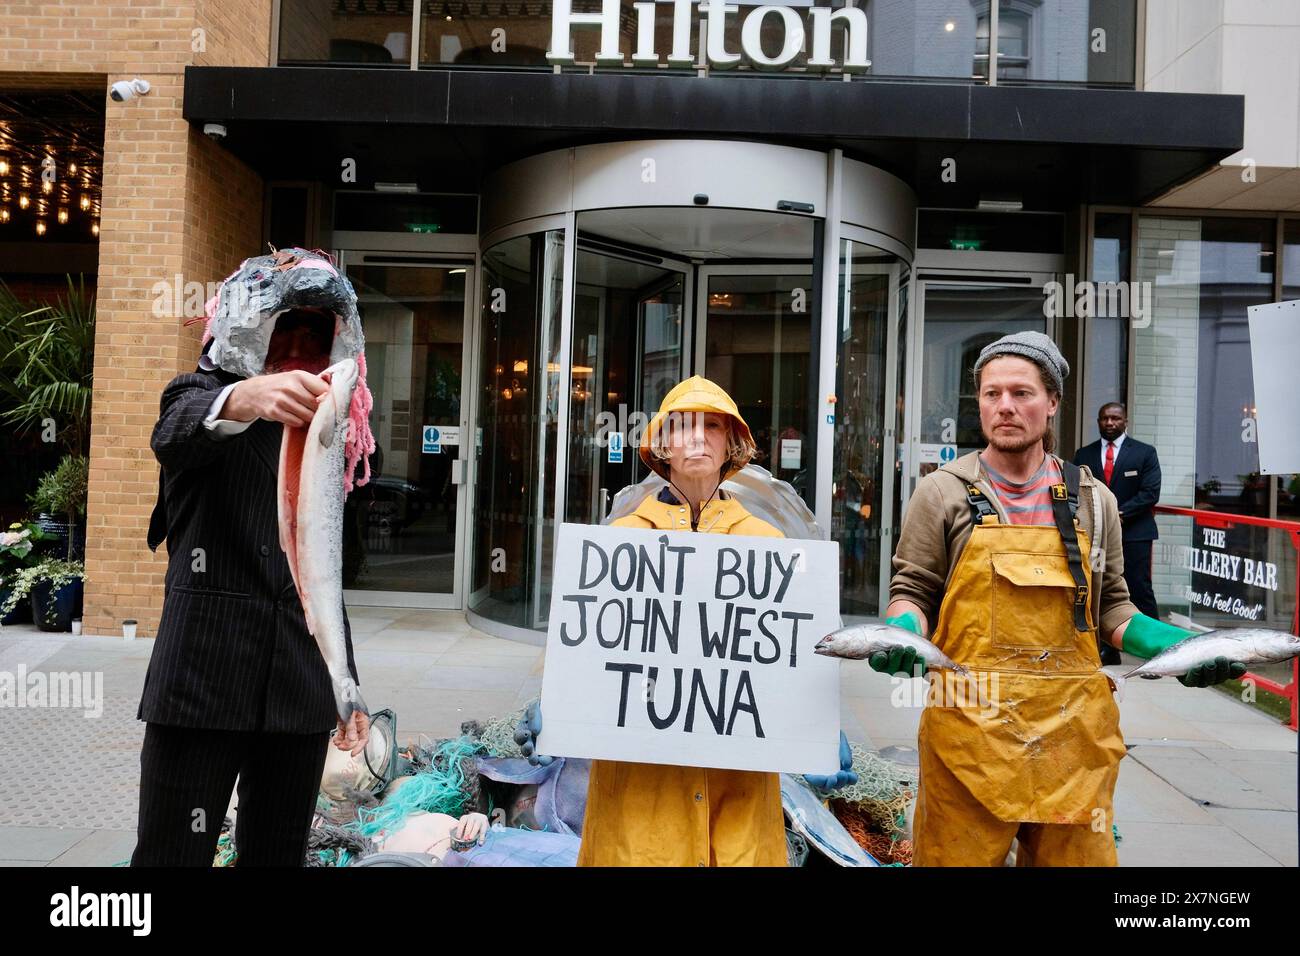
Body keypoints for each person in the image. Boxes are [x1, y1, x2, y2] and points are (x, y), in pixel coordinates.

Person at [881, 332, 1243, 867]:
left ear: (1052, 403)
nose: (1004, 406)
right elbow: (913, 591)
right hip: (967, 742)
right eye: (991, 393)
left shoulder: (1097, 500)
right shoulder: (943, 491)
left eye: (1021, 393)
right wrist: (903, 633)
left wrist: (1177, 646)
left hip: (1073, 742)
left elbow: (1113, 609)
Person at [516, 376, 854, 866]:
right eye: (682, 426)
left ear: (731, 443)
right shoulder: (619, 541)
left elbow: (793, 656)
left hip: (738, 800)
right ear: (662, 446)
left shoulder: (772, 545)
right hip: (640, 802)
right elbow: (583, 649)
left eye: (712, 426)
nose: (697, 437)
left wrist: (820, 726)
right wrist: (551, 703)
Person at [133, 300, 370, 866]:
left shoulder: (334, 429)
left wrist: (346, 683)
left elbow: (326, 574)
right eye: (279, 335)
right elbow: (175, 432)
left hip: (298, 688)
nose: (293, 355)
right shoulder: (199, 393)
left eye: (311, 339)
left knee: (277, 855)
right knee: (172, 854)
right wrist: (242, 399)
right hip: (201, 685)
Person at [1074, 402, 1162, 626]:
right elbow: (1074, 491)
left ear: (1126, 422)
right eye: (1105, 418)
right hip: (1097, 536)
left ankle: (1155, 645)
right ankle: (1106, 647)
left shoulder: (1145, 453)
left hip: (1135, 534)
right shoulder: (1084, 454)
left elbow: (1150, 492)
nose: (1110, 423)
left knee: (1139, 587)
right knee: (1099, 586)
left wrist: (1117, 514)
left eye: (1115, 418)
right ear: (1098, 422)